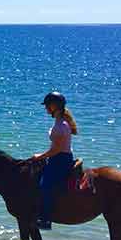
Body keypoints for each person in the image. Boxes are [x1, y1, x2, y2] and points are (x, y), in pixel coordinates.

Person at [30, 91, 78, 230]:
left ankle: (45, 220)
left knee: (45, 185)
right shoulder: (61, 122)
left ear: (54, 106)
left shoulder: (60, 126)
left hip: (59, 159)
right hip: (61, 157)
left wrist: (39, 156)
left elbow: (56, 150)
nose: (45, 108)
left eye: (47, 106)